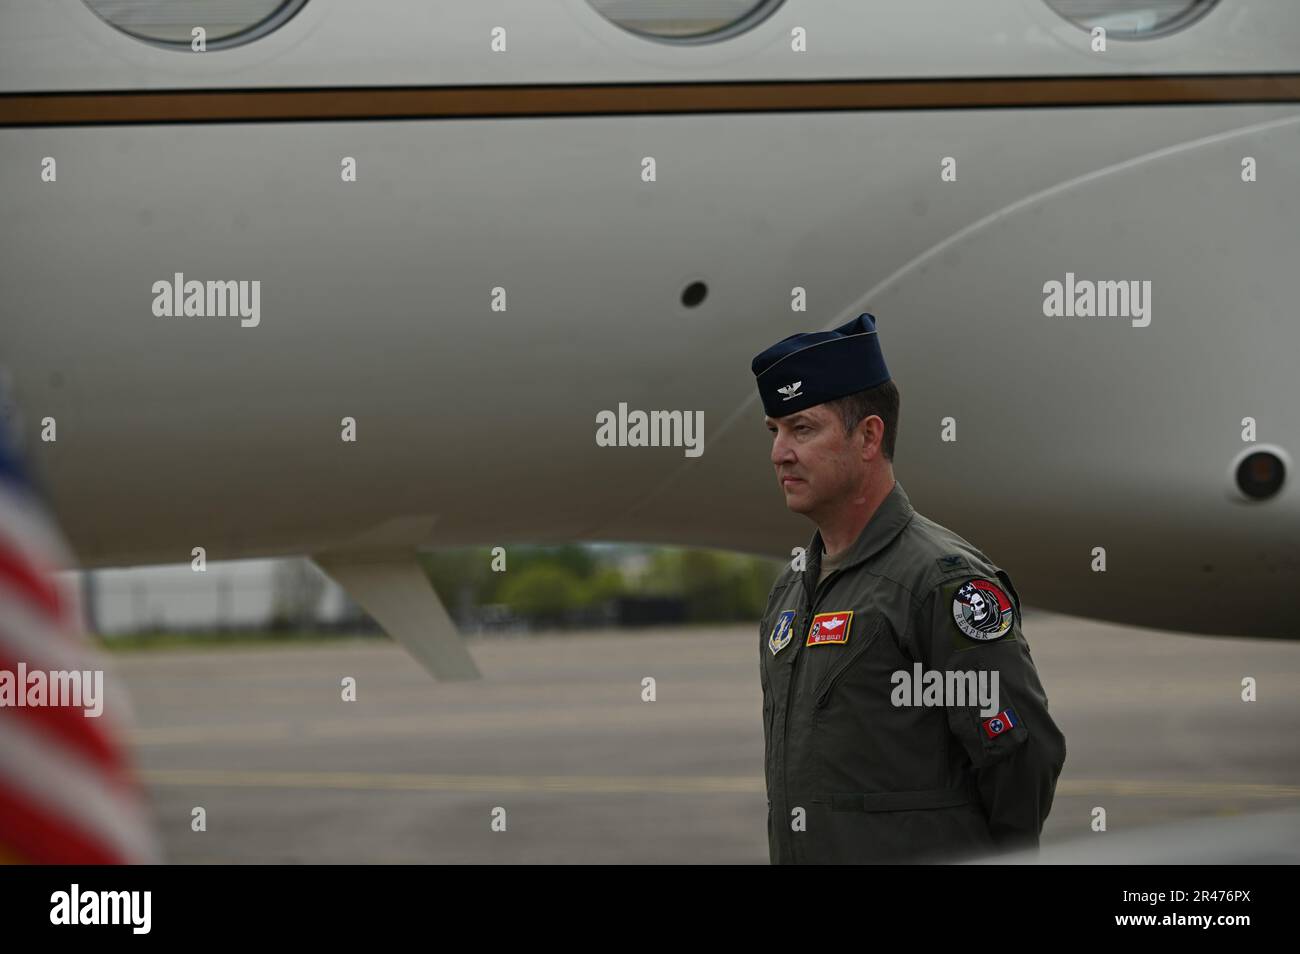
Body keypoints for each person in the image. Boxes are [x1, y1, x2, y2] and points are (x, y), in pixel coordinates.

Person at [752, 312, 1066, 864]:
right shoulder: (792, 589)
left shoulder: (941, 582)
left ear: (869, 436)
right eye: (775, 431)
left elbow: (1021, 754)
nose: (780, 452)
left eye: (802, 428)